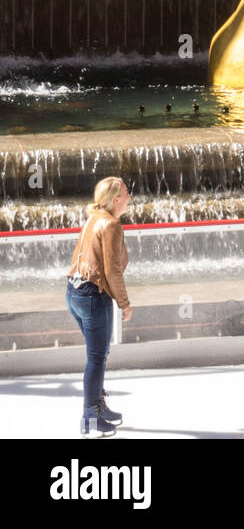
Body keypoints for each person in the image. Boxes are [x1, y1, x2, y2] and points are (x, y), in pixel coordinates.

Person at [66, 176, 132, 437]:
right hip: (94, 296)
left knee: (99, 356)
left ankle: (98, 406)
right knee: (96, 358)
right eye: (126, 193)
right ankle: (90, 416)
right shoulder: (111, 223)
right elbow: (112, 271)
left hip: (74, 292)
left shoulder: (94, 217)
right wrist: (125, 303)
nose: (129, 197)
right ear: (116, 199)